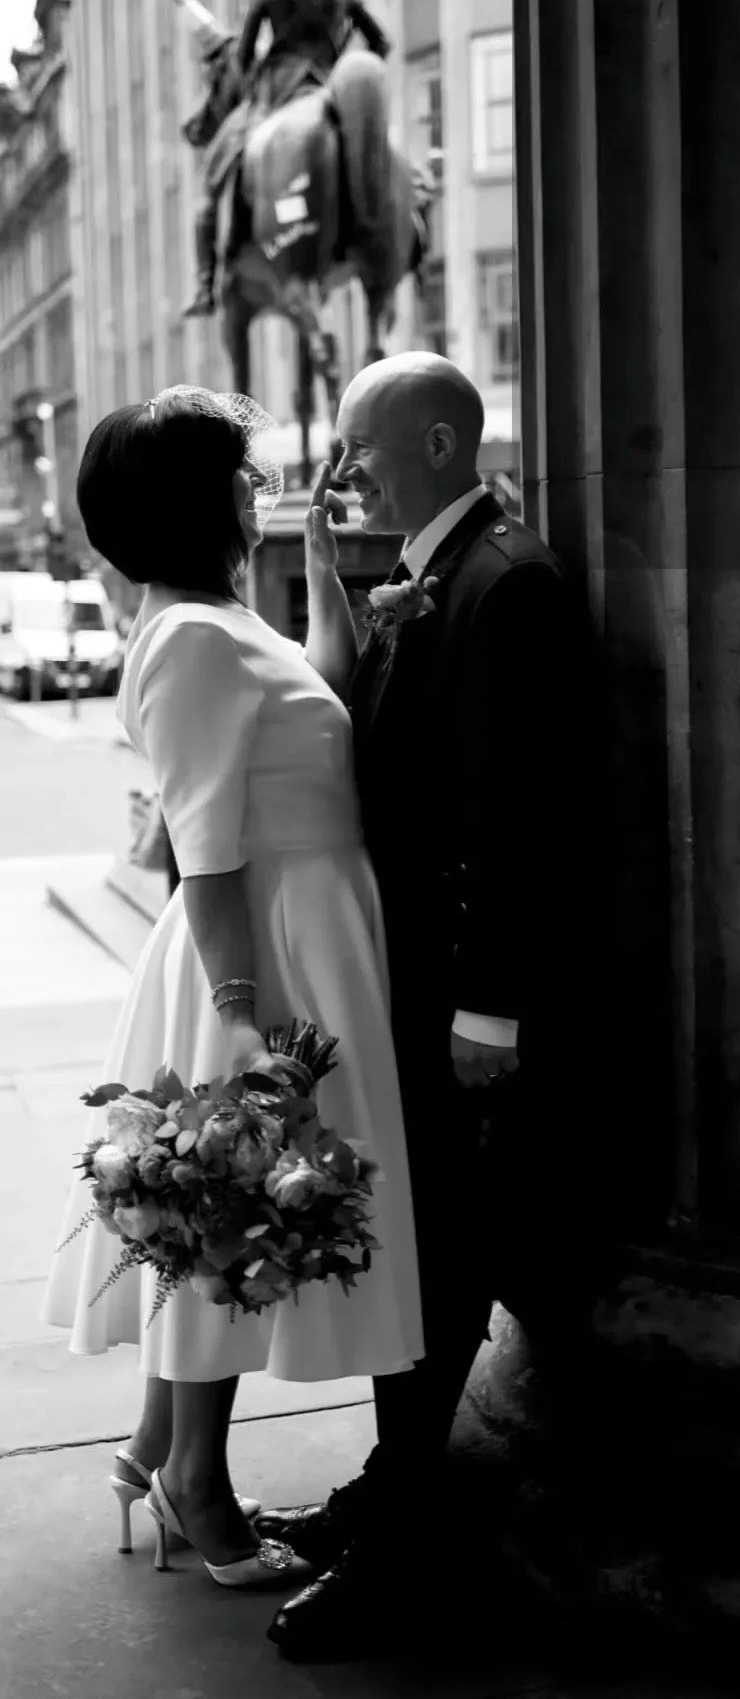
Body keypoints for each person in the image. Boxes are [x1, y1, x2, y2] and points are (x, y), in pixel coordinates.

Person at [43, 386, 423, 1588]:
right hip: (259, 946)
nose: (257, 490)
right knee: (230, 1222)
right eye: (242, 476)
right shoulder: (195, 636)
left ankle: (154, 1450)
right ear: (192, 499)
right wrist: (249, 1020)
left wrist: (318, 574)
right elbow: (204, 853)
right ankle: (192, 1484)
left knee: (228, 1224)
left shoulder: (218, 618)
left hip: (300, 923)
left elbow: (312, 694)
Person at [256, 353, 599, 1663]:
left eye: (360, 447)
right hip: (419, 989)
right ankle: (392, 1498)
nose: (343, 471)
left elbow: (520, 814)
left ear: (444, 445)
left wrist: (491, 1009)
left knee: (446, 1265)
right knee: (422, 1256)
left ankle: (407, 1551)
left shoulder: (508, 587)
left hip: (465, 1003)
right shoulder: (446, 576)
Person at [184, 0, 391, 319]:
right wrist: (341, 56)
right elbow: (381, 43)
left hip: (278, 92)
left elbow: (243, 59)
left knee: (211, 181)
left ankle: (206, 283)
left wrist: (256, 68)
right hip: (333, 89)